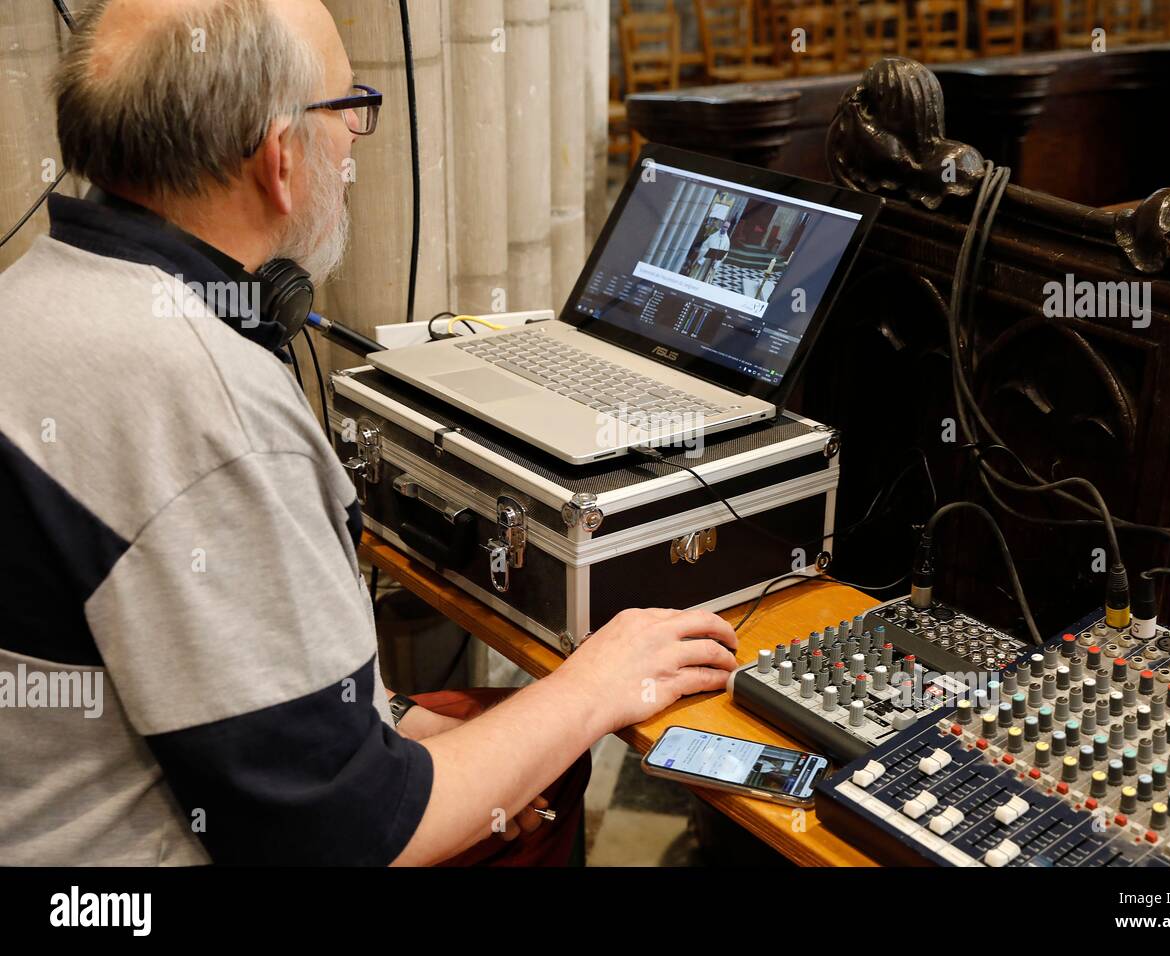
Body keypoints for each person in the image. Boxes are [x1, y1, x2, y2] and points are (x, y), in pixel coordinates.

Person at [0, 0, 737, 866]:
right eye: (348, 109)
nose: (354, 139)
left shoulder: (33, 289)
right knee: (554, 771)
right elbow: (351, 835)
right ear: (280, 159)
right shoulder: (208, 403)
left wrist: (385, 717)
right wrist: (598, 684)